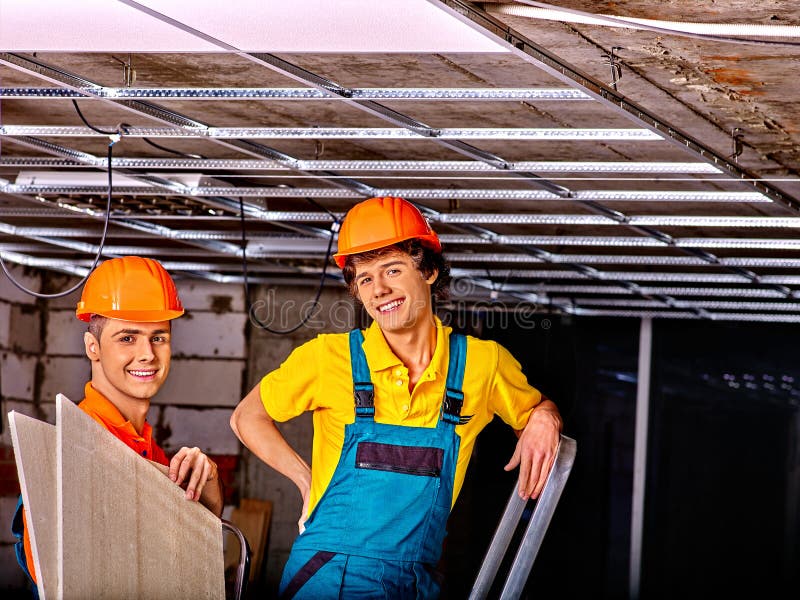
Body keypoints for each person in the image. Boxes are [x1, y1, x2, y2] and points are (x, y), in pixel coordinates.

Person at [230, 196, 563, 599]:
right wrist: (306, 481)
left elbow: (533, 410)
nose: (379, 290)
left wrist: (545, 417)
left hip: (415, 582)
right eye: (365, 278)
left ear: (429, 271)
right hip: (326, 577)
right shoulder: (326, 358)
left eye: (392, 269)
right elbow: (247, 417)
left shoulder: (483, 364)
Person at [12, 255, 223, 596]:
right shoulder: (69, 452)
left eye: (159, 337)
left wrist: (208, 481)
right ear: (92, 347)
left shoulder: (147, 451)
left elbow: (192, 551)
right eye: (127, 338)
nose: (147, 354)